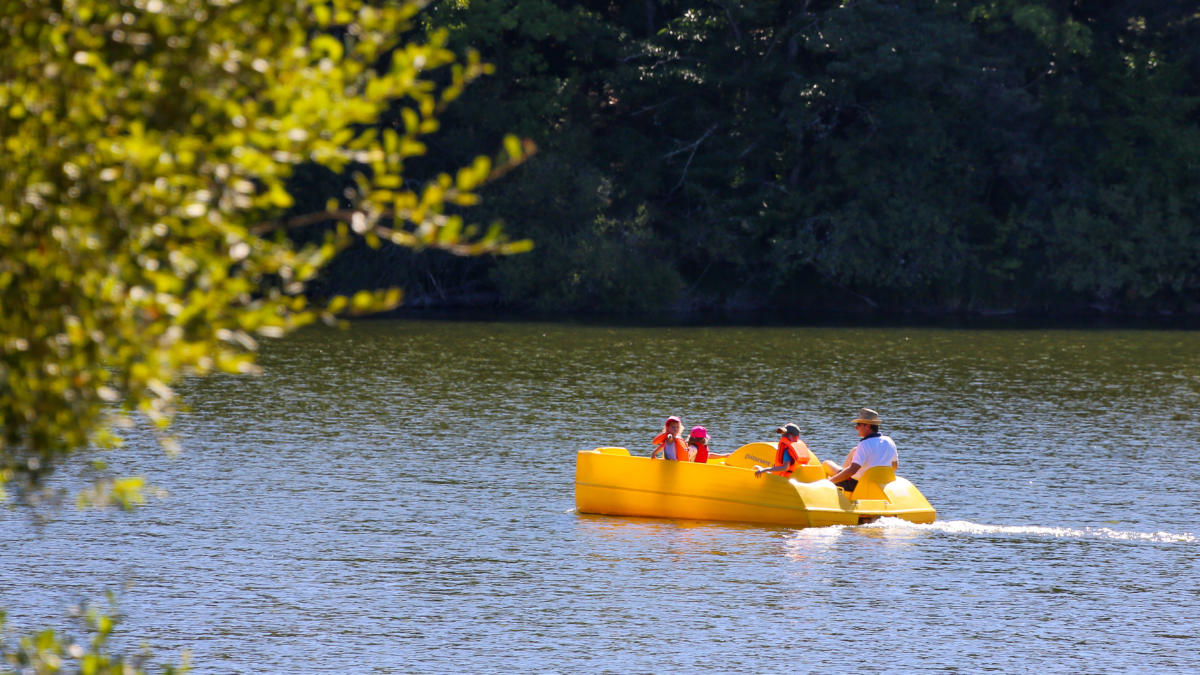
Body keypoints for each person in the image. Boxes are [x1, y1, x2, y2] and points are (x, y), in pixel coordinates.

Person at [823, 408, 898, 491]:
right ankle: (840, 473)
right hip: (880, 484)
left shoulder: (865, 444)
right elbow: (894, 466)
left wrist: (830, 482)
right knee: (854, 450)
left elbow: (852, 470)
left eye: (859, 424)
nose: (856, 427)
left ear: (868, 426)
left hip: (856, 485)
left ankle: (825, 490)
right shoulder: (889, 441)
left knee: (827, 464)